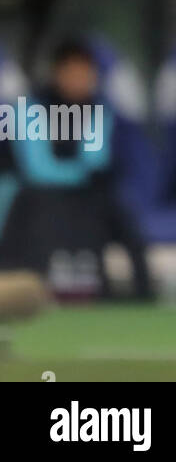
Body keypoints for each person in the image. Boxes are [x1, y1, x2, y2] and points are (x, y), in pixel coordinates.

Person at [0, 39, 152, 300]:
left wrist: (83, 174)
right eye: (73, 73)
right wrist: (79, 173)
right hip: (38, 195)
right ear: (58, 73)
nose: (80, 80)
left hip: (87, 196)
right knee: (38, 208)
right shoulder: (30, 109)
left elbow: (96, 160)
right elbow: (39, 169)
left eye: (86, 74)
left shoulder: (100, 110)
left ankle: (141, 295)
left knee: (121, 215)